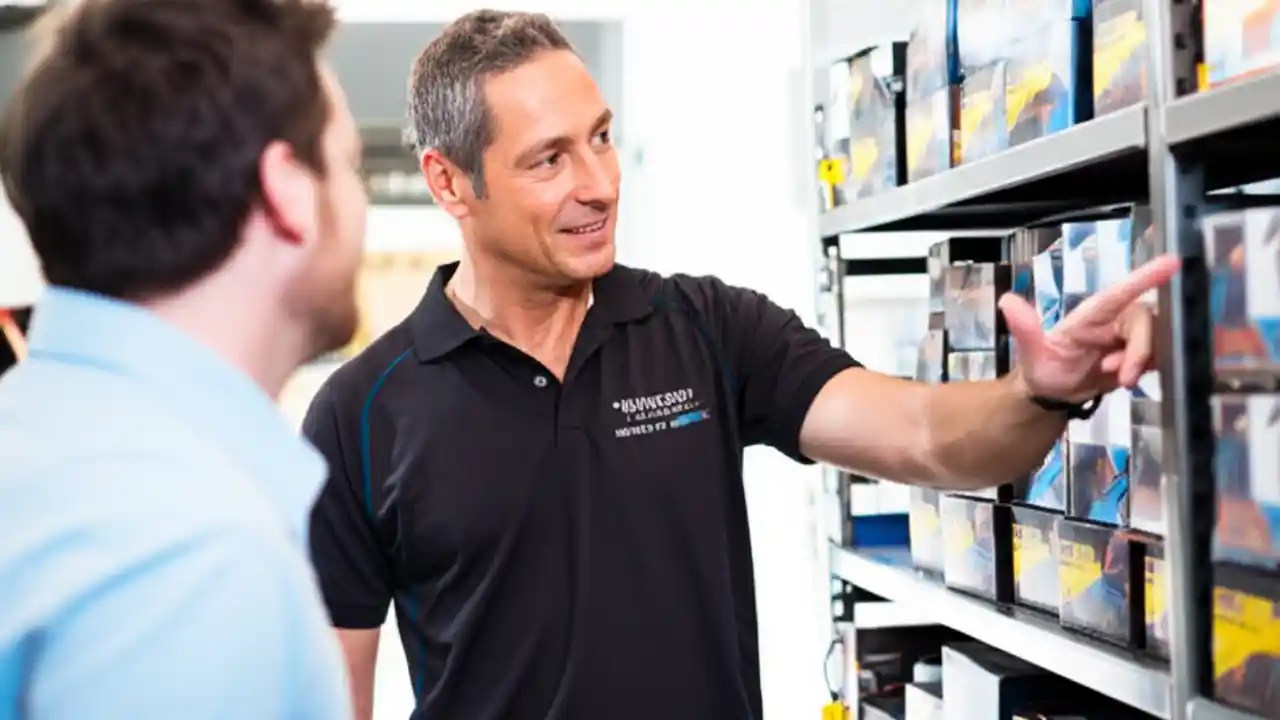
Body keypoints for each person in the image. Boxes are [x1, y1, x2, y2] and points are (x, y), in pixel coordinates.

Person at [303, 10, 1180, 720]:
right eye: (549, 159)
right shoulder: (361, 413)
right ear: (450, 183)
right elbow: (330, 696)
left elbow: (926, 438)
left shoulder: (707, 328)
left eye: (601, 138)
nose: (599, 183)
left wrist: (1043, 390)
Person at [0, 0, 365, 717]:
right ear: (288, 192)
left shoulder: (32, 442)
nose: (359, 201)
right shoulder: (190, 551)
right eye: (348, 165)